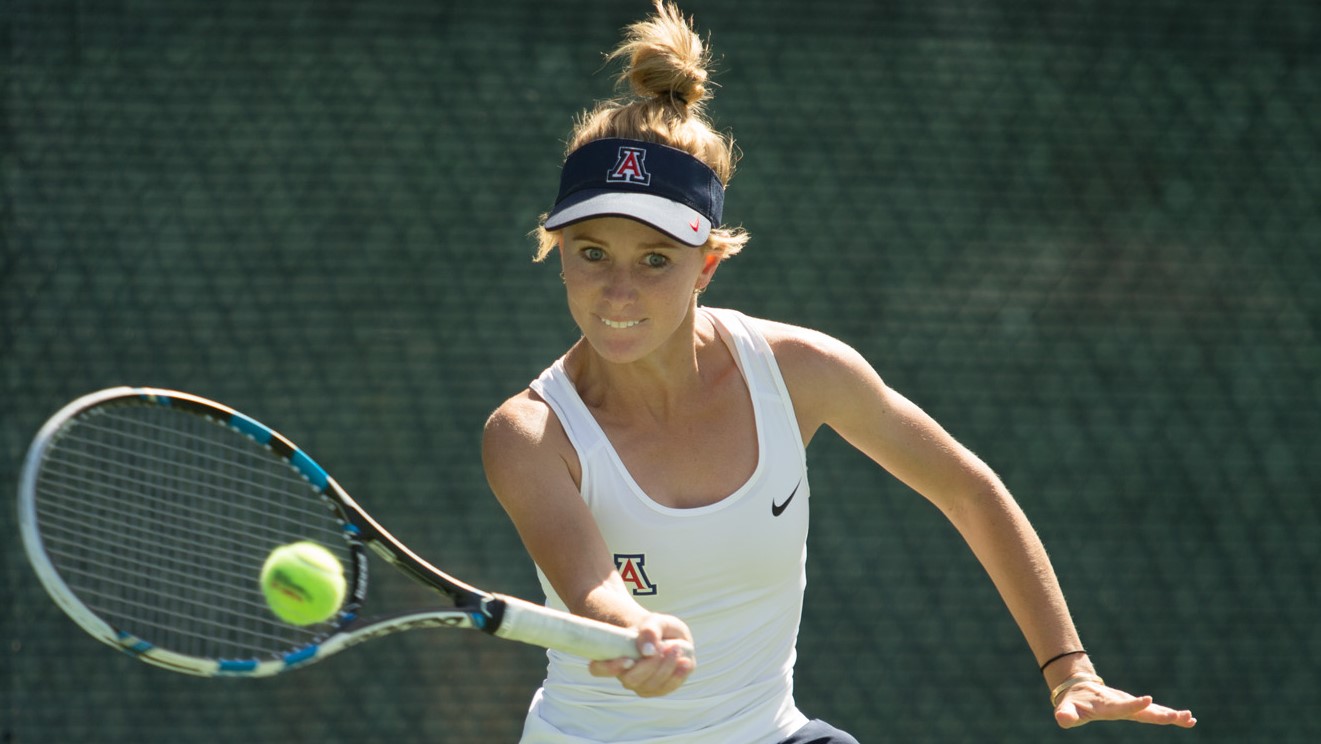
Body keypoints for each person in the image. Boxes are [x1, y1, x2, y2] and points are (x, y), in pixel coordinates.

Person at [481, 3, 1197, 742]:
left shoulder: (801, 373)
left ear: (707, 267)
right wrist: (631, 628)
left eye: (655, 260)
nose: (618, 290)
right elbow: (593, 589)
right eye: (591, 252)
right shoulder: (529, 434)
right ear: (555, 249)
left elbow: (967, 490)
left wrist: (1068, 667)